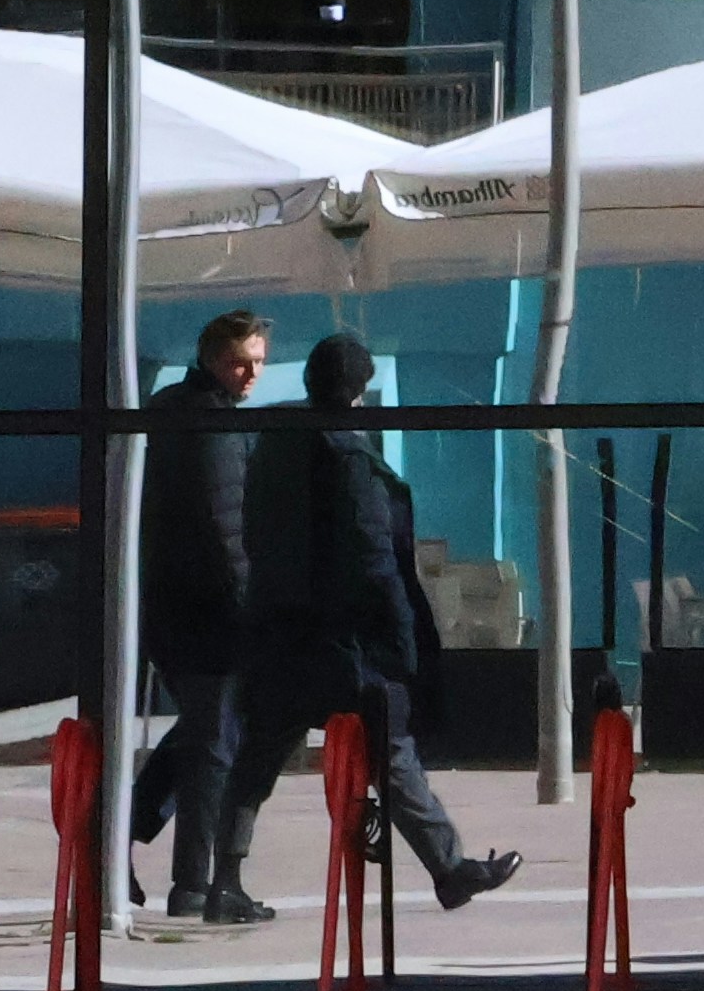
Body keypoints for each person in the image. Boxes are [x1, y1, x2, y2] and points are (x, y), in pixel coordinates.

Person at [216, 334, 522, 914]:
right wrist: (404, 643)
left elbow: (254, 534)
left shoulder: (272, 449)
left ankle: (223, 879)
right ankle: (449, 868)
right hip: (339, 638)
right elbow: (373, 562)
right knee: (390, 746)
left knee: (258, 754)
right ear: (357, 393)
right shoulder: (347, 459)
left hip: (278, 628)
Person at [133, 309, 268, 922]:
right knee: (214, 742)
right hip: (209, 611)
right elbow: (226, 528)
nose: (251, 373)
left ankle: (117, 834)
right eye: (242, 361)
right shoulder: (211, 425)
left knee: (200, 731)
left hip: (173, 602)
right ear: (212, 357)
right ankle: (193, 885)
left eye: (260, 362)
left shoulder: (172, 411)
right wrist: (251, 608)